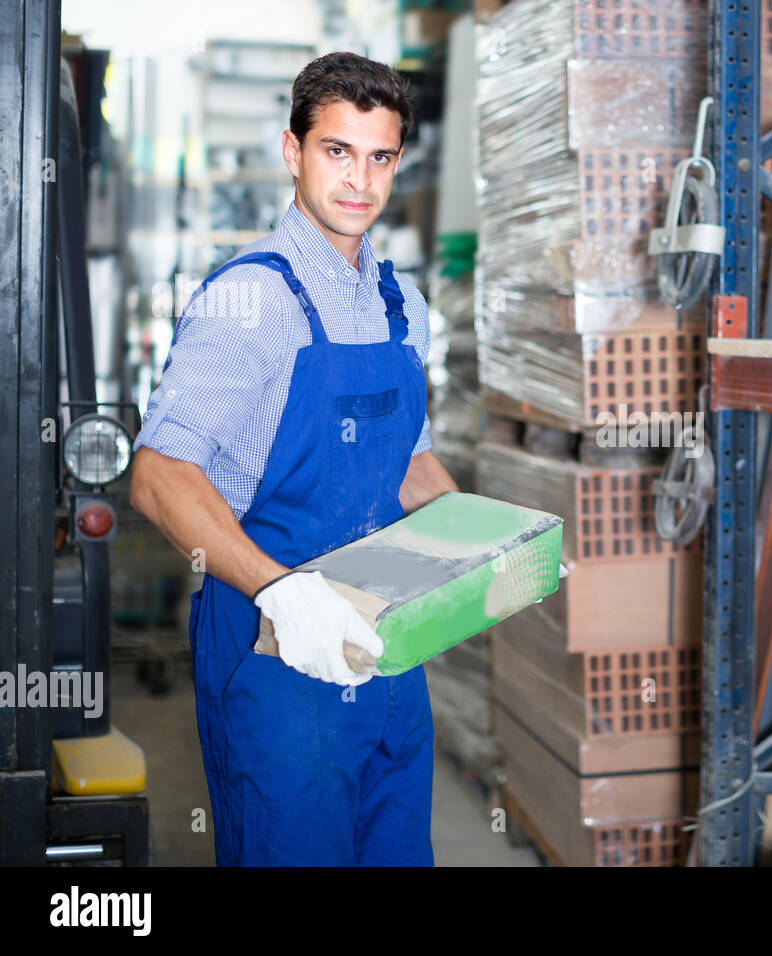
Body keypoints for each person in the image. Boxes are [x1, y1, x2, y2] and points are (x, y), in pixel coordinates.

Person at [130, 51, 457, 866]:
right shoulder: (251, 302)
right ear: (292, 152)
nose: (360, 180)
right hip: (271, 648)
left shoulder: (400, 303)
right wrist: (283, 590)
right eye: (337, 151)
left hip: (384, 649)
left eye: (379, 157)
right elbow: (158, 473)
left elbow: (410, 462)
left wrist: (495, 546)